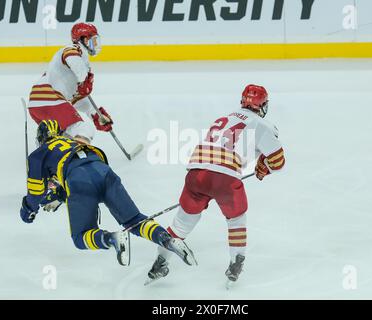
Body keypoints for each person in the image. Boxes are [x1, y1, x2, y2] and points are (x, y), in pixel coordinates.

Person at [146, 84, 285, 285]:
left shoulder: (224, 117)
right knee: (236, 220)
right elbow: (278, 161)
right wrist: (265, 168)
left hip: (196, 173)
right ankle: (235, 265)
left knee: (181, 223)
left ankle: (160, 262)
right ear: (263, 105)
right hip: (225, 179)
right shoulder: (263, 125)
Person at [20, 120, 197, 267]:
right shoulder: (72, 142)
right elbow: (72, 179)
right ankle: (168, 240)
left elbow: (35, 194)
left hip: (79, 180)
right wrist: (57, 195)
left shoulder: (38, 154)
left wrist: (27, 210)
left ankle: (111, 238)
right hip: (104, 172)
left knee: (81, 237)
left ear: (41, 138)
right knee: (134, 220)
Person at [27, 23, 112, 144]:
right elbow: (71, 57)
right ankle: (78, 160)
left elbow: (77, 97)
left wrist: (96, 115)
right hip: (50, 98)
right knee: (84, 130)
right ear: (83, 39)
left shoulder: (82, 62)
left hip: (38, 101)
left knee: (67, 137)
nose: (96, 44)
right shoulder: (73, 49)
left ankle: (47, 142)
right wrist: (83, 78)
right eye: (93, 40)